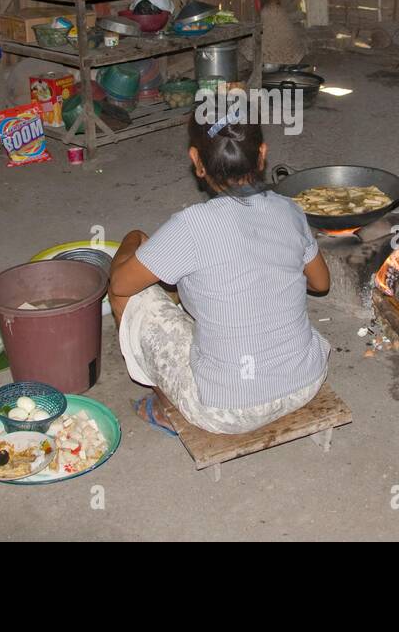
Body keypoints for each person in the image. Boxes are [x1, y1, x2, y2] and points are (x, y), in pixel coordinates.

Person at [107, 112, 331, 435]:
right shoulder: (289, 210)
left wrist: (135, 240)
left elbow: (118, 284)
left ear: (196, 160)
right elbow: (321, 284)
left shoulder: (189, 226)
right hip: (305, 383)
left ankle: (168, 407)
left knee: (128, 292)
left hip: (228, 411)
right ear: (263, 155)